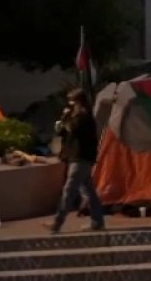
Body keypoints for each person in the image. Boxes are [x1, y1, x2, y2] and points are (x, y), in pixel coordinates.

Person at [46, 89, 104, 233]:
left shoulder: (84, 117)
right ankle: (97, 221)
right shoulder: (76, 117)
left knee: (69, 190)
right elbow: (65, 132)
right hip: (75, 157)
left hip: (81, 158)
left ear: (79, 102)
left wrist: (66, 118)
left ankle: (57, 222)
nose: (70, 104)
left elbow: (73, 128)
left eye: (72, 101)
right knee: (89, 191)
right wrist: (62, 123)